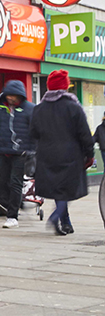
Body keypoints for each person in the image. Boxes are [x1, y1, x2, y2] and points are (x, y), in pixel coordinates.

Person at [31, 70, 94, 236]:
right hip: (70, 154)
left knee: (59, 189)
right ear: (65, 86)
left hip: (46, 155)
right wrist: (90, 154)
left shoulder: (39, 109)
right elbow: (84, 133)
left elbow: (33, 134)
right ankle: (57, 215)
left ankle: (66, 222)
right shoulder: (73, 107)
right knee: (66, 188)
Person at [0, 80, 34, 229]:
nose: (10, 98)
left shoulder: (30, 110)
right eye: (8, 96)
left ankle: (12, 216)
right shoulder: (2, 111)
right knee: (3, 182)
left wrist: (32, 150)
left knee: (15, 183)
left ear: (20, 95)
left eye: (13, 96)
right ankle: (9, 206)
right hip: (3, 152)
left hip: (21, 153)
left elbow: (35, 133)